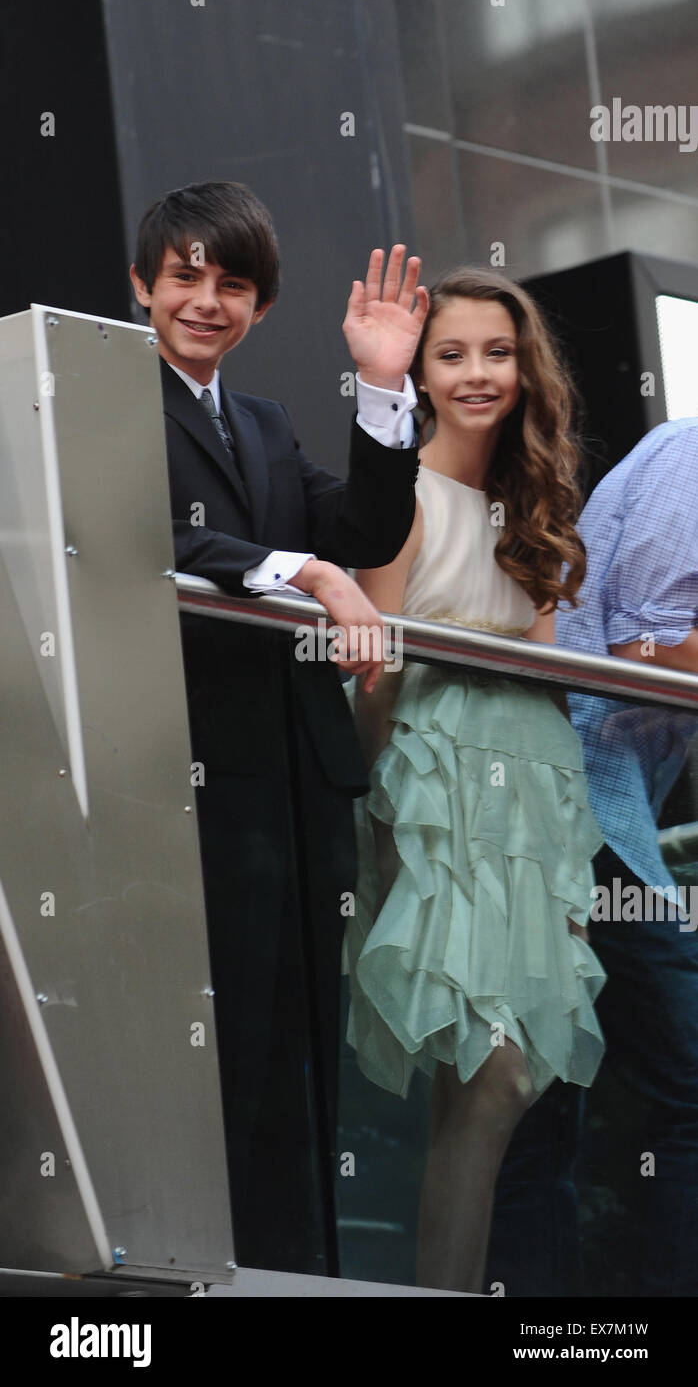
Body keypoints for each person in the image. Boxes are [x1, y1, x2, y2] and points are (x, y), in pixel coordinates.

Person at [129, 180, 429, 1273]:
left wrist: (384, 387)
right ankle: (195, 1270)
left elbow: (363, 524)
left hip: (299, 777)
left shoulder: (258, 420)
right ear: (142, 284)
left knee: (301, 1054)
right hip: (192, 774)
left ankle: (294, 1273)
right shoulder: (101, 396)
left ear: (259, 306)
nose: (207, 300)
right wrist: (307, 575)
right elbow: (134, 534)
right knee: (219, 1046)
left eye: (235, 284)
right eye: (186, 276)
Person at [342, 266, 607, 1294]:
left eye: (496, 351)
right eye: (449, 353)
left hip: (530, 796)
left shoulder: (537, 509)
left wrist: (563, 878)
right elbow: (372, 671)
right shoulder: (397, 494)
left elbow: (546, 689)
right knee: (485, 1073)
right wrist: (375, 824)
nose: (476, 372)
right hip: (426, 781)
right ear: (418, 367)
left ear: (524, 364)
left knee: (510, 1076)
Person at [489, 418, 698, 1298]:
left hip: (595, 807)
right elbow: (645, 647)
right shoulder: (694, 454)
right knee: (684, 1080)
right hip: (577, 798)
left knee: (542, 1105)